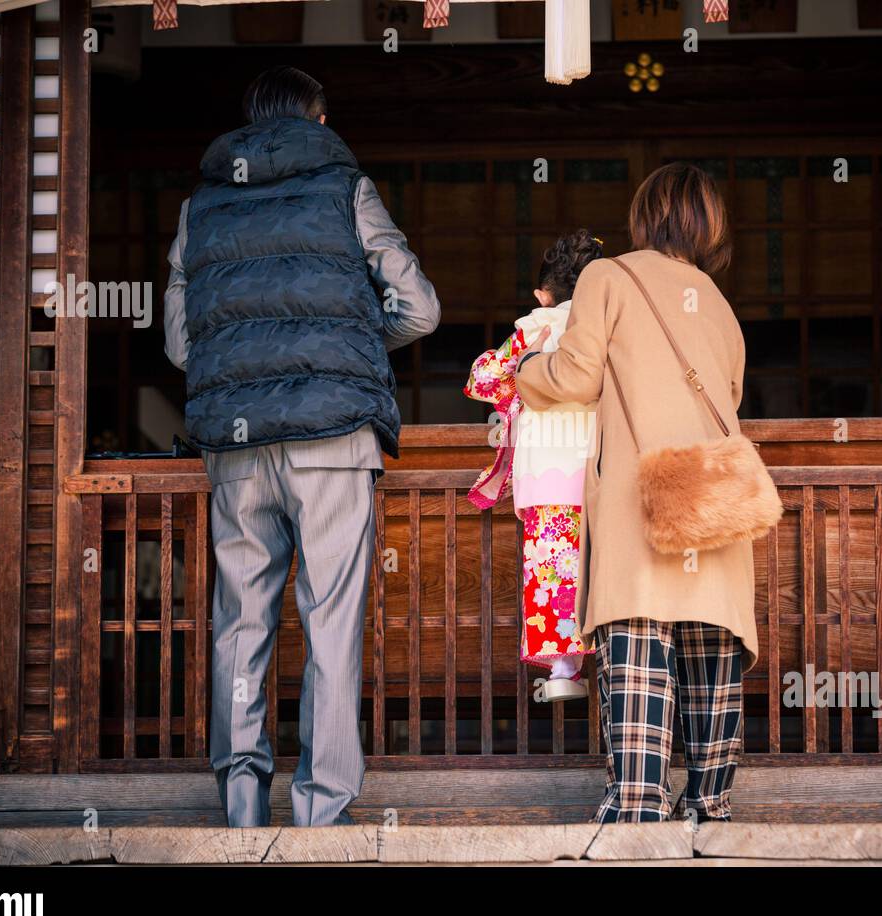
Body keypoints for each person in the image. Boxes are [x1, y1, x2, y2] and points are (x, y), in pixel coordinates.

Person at [163, 66, 440, 827]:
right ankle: (320, 811)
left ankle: (244, 804)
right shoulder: (346, 189)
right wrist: (345, 346)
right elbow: (419, 308)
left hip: (238, 451)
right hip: (333, 443)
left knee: (242, 626)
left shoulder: (203, 207)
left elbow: (184, 344)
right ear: (316, 120)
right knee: (330, 627)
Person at [515, 163, 757, 823]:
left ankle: (638, 805)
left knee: (640, 650)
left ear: (646, 217)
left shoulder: (607, 277)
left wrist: (524, 371)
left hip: (640, 502)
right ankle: (710, 804)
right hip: (713, 499)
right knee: (712, 651)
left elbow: (573, 374)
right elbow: (729, 397)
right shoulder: (719, 302)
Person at [463, 230, 603, 702]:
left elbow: (483, 379)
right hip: (601, 469)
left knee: (555, 572)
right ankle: (619, 663)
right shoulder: (605, 325)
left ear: (544, 293)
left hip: (548, 472)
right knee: (603, 567)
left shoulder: (535, 325)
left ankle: (565, 670)